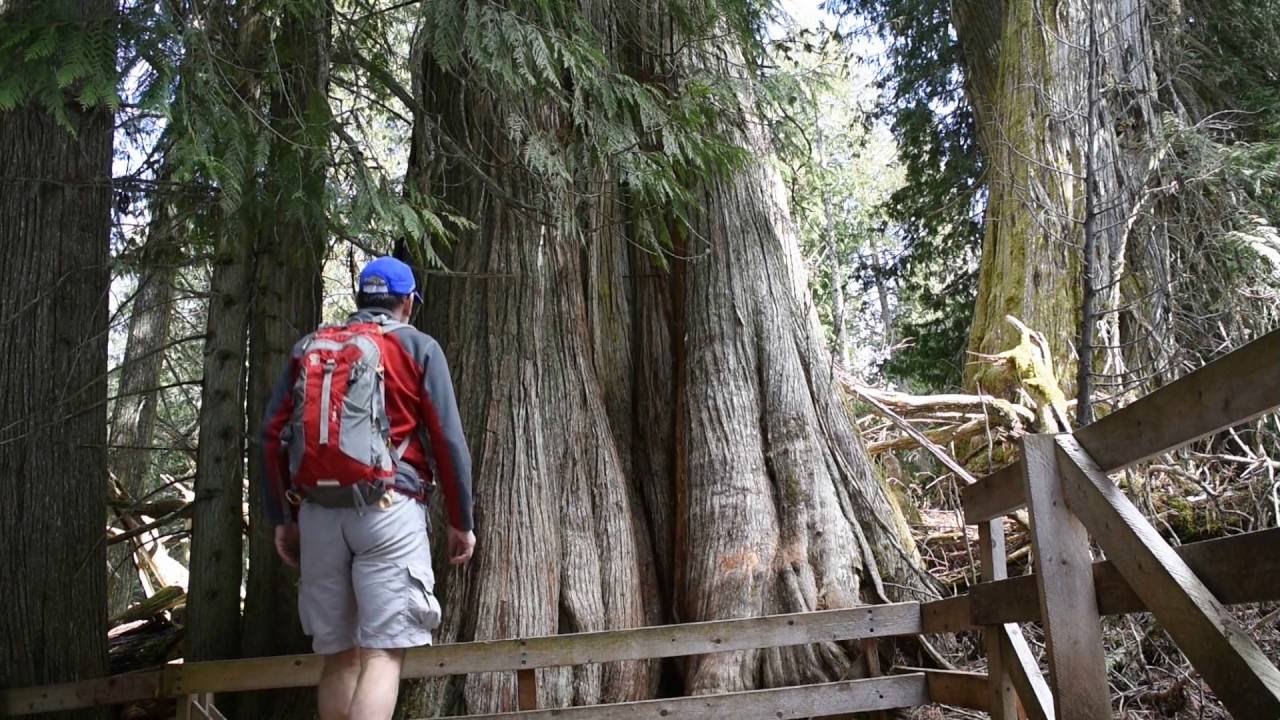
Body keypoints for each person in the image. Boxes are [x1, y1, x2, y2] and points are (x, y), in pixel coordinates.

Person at [261, 256, 475, 720]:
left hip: (318, 513)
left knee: (339, 658)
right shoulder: (418, 347)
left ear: (361, 298)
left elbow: (270, 436)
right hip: (389, 510)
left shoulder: (310, 348)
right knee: (381, 655)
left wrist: (283, 519)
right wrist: (461, 521)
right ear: (408, 304)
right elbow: (447, 439)